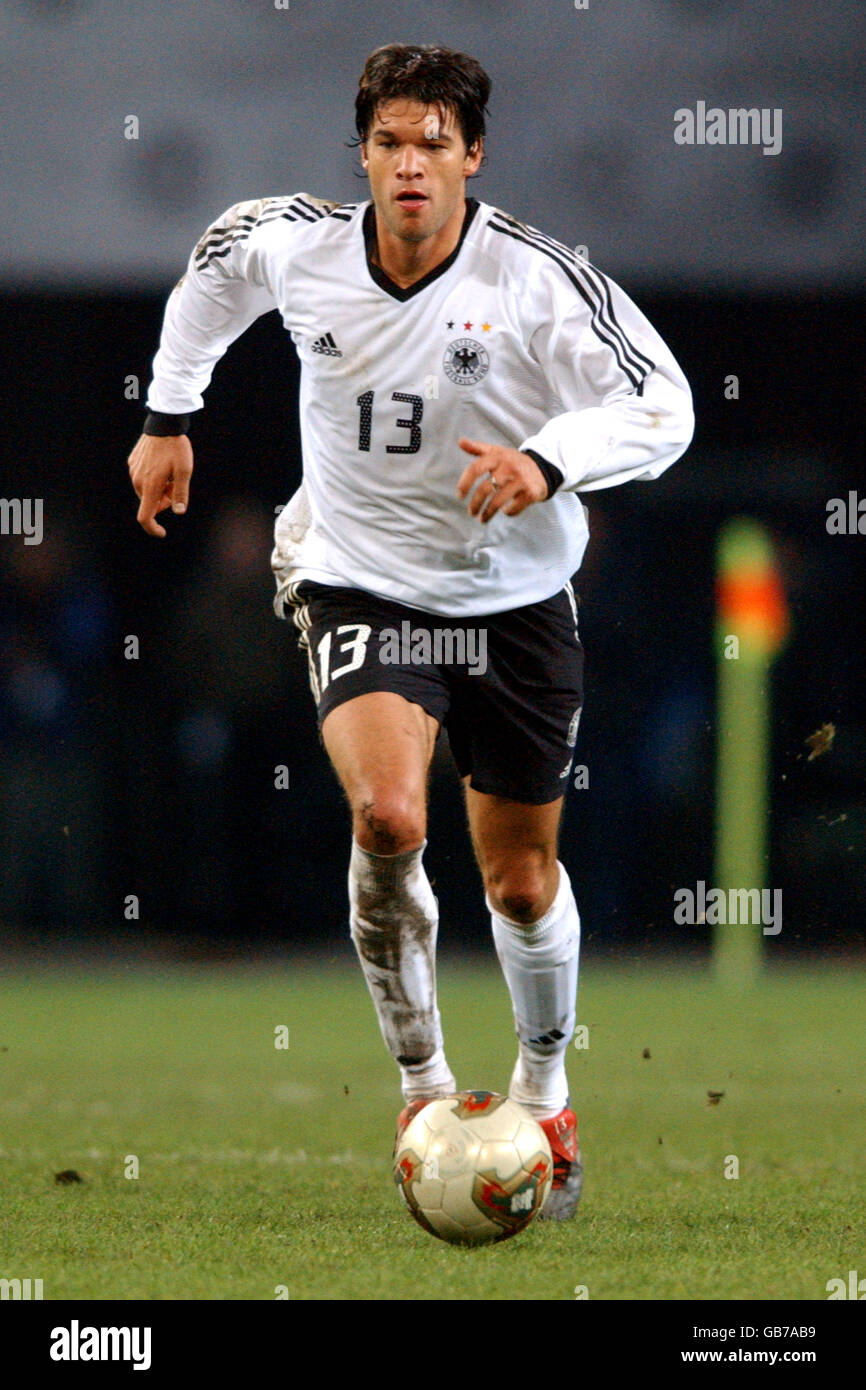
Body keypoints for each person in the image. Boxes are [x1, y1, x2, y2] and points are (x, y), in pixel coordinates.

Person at [127, 42, 694, 1220]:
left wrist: (548, 462)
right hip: (357, 580)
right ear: (365, 154)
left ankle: (545, 1088)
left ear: (472, 156)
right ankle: (422, 1083)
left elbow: (663, 402)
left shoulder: (540, 281)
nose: (409, 165)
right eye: (388, 141)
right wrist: (169, 414)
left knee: (521, 881)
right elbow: (216, 269)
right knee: (388, 815)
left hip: (513, 601)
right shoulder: (301, 246)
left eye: (434, 142)